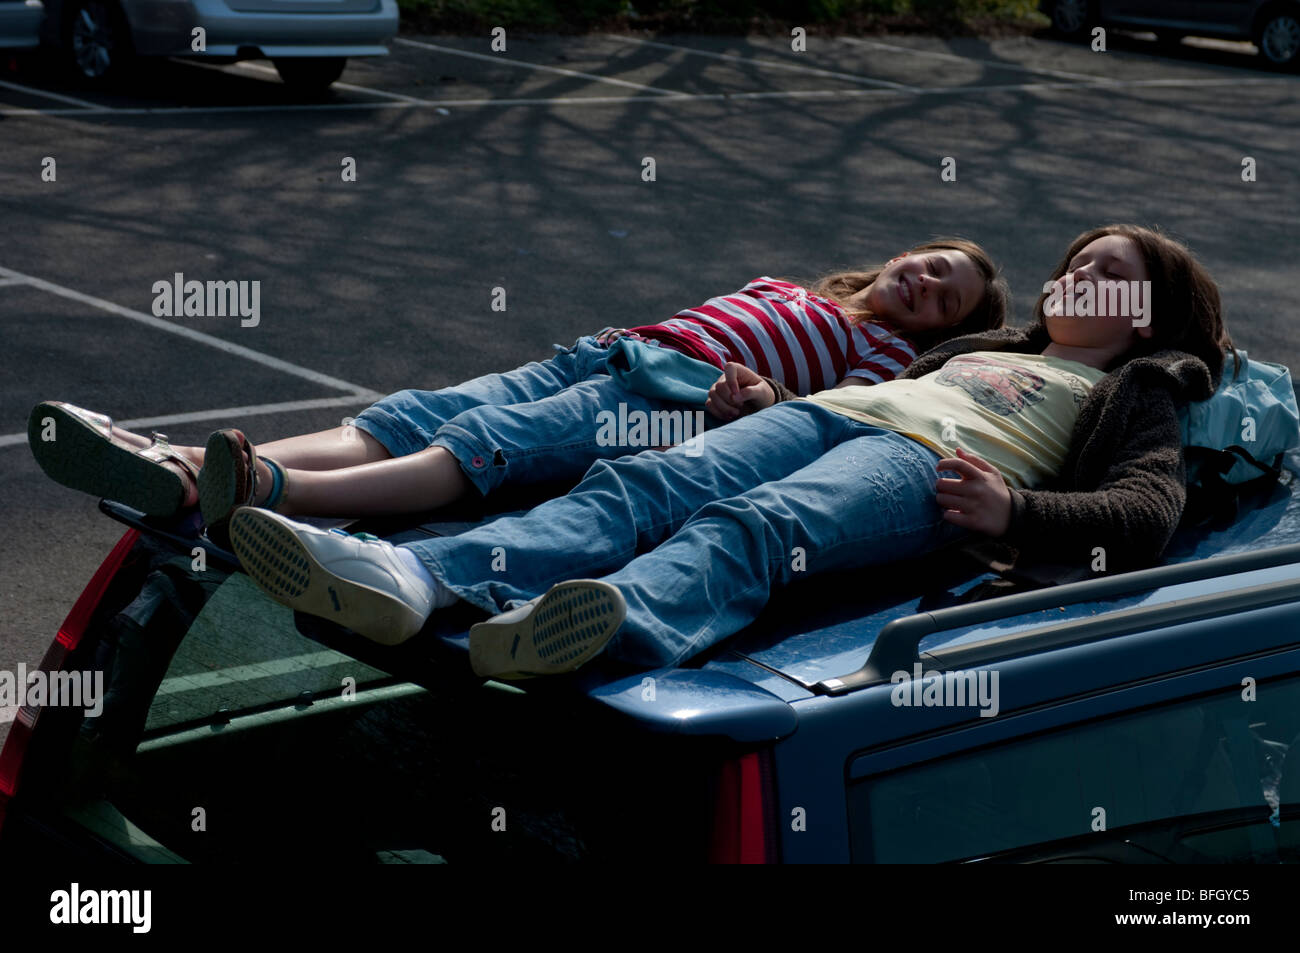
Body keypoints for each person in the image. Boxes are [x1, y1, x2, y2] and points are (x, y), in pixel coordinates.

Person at [223, 225, 1238, 682]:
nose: (1078, 274)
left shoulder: (1139, 388)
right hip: (834, 417)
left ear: (1147, 317)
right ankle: (420, 578)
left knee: (757, 528)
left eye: (1107, 271)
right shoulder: (978, 345)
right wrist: (774, 396)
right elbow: (865, 376)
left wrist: (1017, 514)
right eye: (1076, 260)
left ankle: (603, 625)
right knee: (646, 475)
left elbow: (1146, 513)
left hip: (916, 468)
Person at [28, 239, 1006, 543]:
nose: (922, 281)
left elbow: (820, 425)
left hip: (674, 399)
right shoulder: (793, 288)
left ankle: (265, 495)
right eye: (926, 264)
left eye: (942, 294)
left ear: (938, 327)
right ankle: (182, 469)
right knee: (413, 416)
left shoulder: (881, 356)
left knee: (475, 457)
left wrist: (757, 412)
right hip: (608, 352)